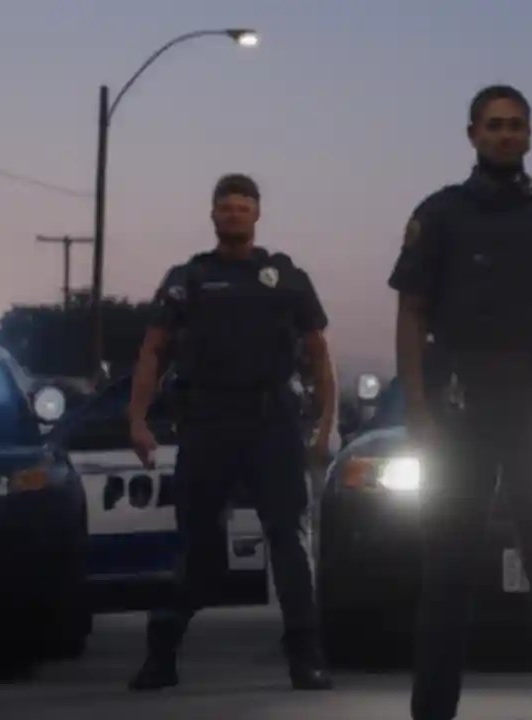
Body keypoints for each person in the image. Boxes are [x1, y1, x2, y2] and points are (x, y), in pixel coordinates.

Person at [389, 85, 532, 720]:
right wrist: (417, 409)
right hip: (462, 413)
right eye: (494, 126)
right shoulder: (441, 214)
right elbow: (410, 313)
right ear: (472, 135)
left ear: (530, 136)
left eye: (516, 126)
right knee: (448, 578)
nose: (506, 135)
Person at [126, 173, 337, 692]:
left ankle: (305, 656)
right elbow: (153, 350)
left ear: (257, 214)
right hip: (208, 423)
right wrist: (137, 420)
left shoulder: (286, 278)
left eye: (244, 207)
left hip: (272, 424)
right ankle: (162, 648)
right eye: (227, 207)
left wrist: (324, 429)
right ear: (214, 215)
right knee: (199, 548)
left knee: (289, 540)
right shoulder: (189, 278)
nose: (235, 215)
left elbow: (318, 357)